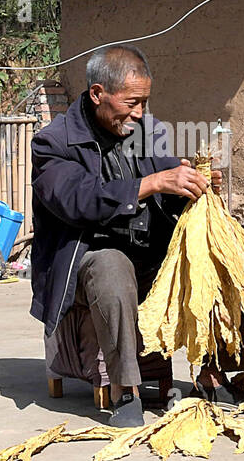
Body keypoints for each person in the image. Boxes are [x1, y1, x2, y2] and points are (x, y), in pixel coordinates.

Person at [31, 44, 227, 427]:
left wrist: (189, 179)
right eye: (131, 102)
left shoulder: (142, 129)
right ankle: (126, 390)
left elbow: (164, 169)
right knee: (111, 267)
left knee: (212, 253)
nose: (139, 112)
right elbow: (77, 201)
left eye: (144, 103)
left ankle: (212, 372)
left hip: (146, 252)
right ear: (98, 94)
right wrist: (152, 182)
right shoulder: (52, 142)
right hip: (85, 258)